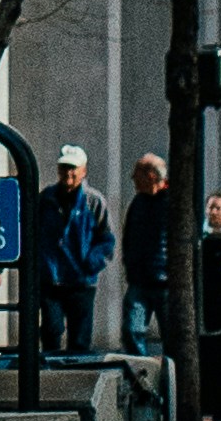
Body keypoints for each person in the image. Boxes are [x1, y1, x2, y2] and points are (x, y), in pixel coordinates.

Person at [35, 144, 117, 359]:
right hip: (51, 279)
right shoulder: (46, 199)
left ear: (83, 171)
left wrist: (90, 263)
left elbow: (106, 240)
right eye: (64, 168)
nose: (68, 173)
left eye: (73, 168)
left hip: (81, 282)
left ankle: (78, 376)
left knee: (80, 338)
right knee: (51, 331)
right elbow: (31, 232)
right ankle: (51, 377)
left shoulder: (94, 201)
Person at [120, 149, 174, 347]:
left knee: (172, 335)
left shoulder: (172, 203)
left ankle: (170, 374)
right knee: (131, 330)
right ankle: (139, 372)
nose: (133, 178)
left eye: (137, 173)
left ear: (151, 175)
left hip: (166, 280)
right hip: (139, 279)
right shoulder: (138, 203)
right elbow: (129, 236)